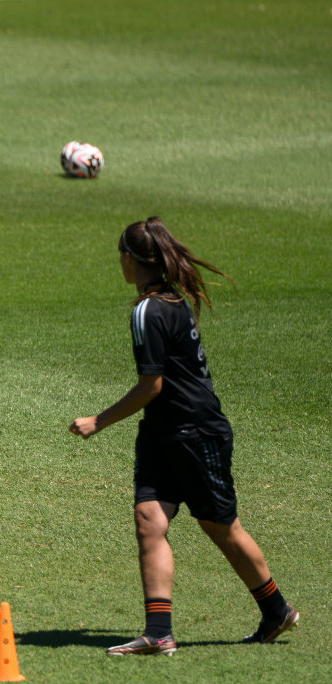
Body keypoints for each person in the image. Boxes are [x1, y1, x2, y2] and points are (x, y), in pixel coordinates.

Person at [69, 217, 298, 655]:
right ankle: (159, 632)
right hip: (162, 433)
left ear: (129, 259)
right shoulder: (168, 300)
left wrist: (98, 421)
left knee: (221, 527)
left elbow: (150, 384)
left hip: (195, 434)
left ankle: (277, 610)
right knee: (149, 521)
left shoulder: (148, 310)